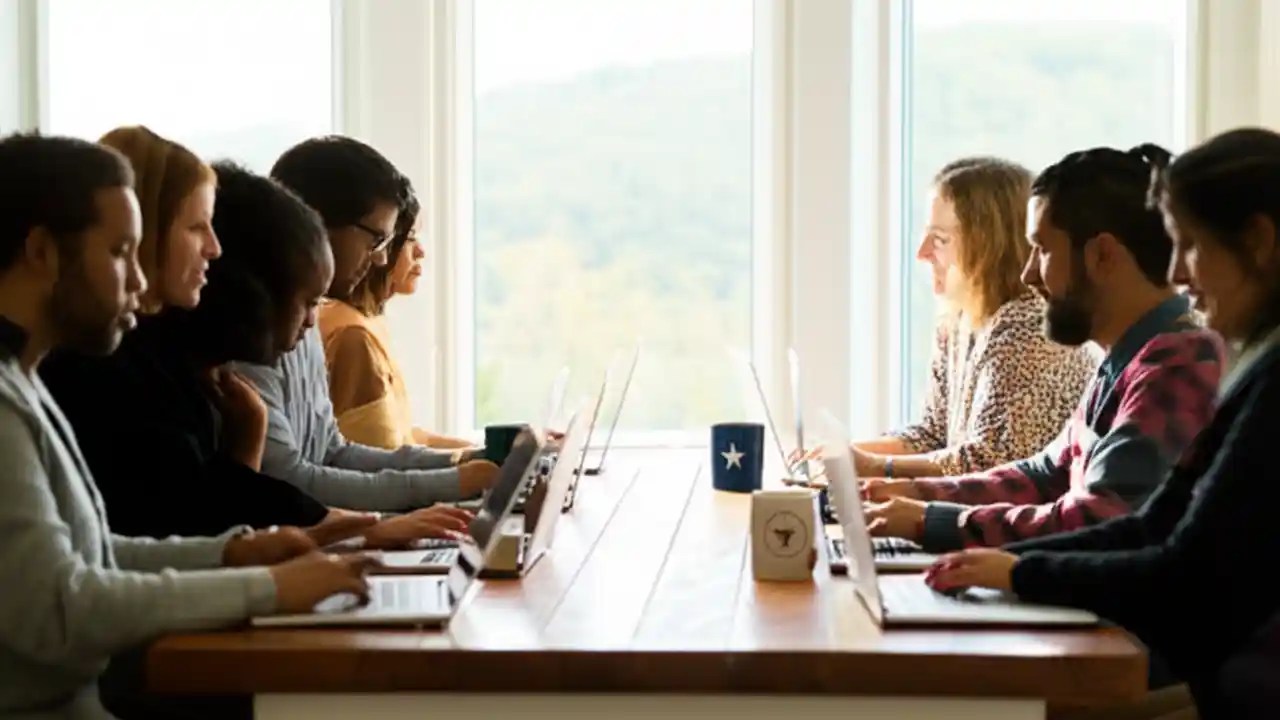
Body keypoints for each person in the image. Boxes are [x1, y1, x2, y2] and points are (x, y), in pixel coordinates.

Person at [0, 132, 375, 720]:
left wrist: (233, 554)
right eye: (122, 252)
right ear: (43, 252)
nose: (141, 280)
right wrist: (269, 588)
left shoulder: (22, 384)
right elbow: (60, 609)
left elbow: (91, 556)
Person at [924, 128, 1280, 717]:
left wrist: (1019, 573)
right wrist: (1011, 566)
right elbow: (1155, 524)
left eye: (1190, 246)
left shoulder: (1238, 376)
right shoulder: (1250, 369)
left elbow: (1182, 571)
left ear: (1260, 243)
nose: (1178, 273)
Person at [863, 145, 1224, 554]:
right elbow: (1041, 475)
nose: (1029, 272)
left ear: (1103, 255)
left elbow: (1096, 519)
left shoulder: (1176, 367)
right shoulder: (1125, 360)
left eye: (1043, 249)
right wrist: (911, 491)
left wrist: (933, 521)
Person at [233, 136, 498, 510]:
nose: (378, 260)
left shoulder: (307, 320)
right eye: (376, 239)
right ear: (312, 219)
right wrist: (453, 481)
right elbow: (291, 480)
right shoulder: (249, 331)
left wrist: (463, 464)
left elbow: (333, 451)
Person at [846, 157, 1096, 480]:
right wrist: (841, 455)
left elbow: (986, 463)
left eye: (940, 239)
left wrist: (872, 466)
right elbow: (932, 435)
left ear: (989, 246)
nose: (921, 252)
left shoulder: (1028, 328)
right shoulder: (956, 322)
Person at [319, 176, 471, 450]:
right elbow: (381, 459)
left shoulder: (367, 321)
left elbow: (403, 437)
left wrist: (490, 456)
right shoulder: (352, 334)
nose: (421, 251)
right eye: (410, 238)